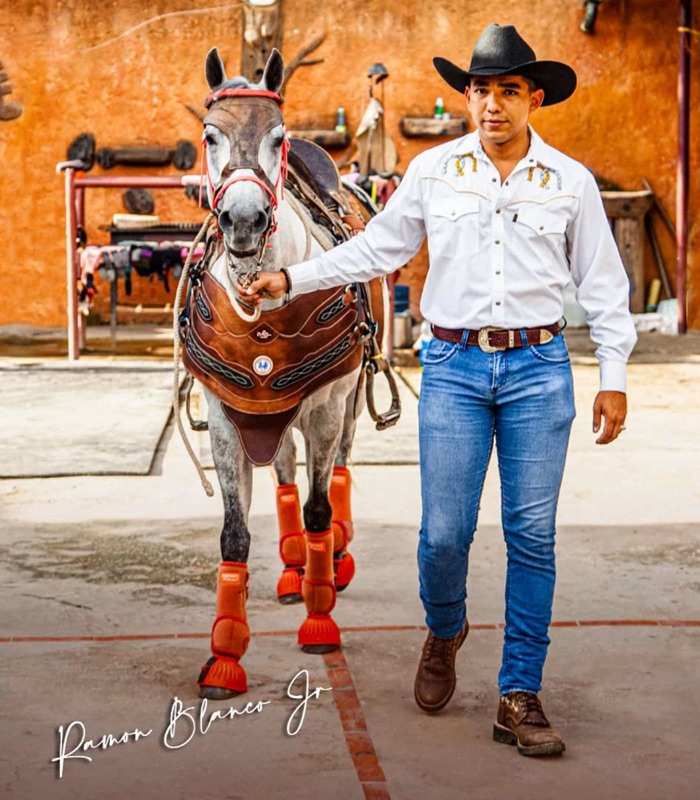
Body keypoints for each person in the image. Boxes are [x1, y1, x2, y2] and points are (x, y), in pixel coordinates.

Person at [242, 23, 636, 757]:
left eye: (508, 91)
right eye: (480, 90)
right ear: (468, 96)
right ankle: (445, 625)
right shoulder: (433, 171)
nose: (491, 105)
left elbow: (605, 286)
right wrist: (293, 279)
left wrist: (614, 374)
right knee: (444, 536)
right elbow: (379, 248)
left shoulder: (570, 182)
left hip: (538, 370)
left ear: (534, 99)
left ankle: (520, 692)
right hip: (453, 369)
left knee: (532, 537)